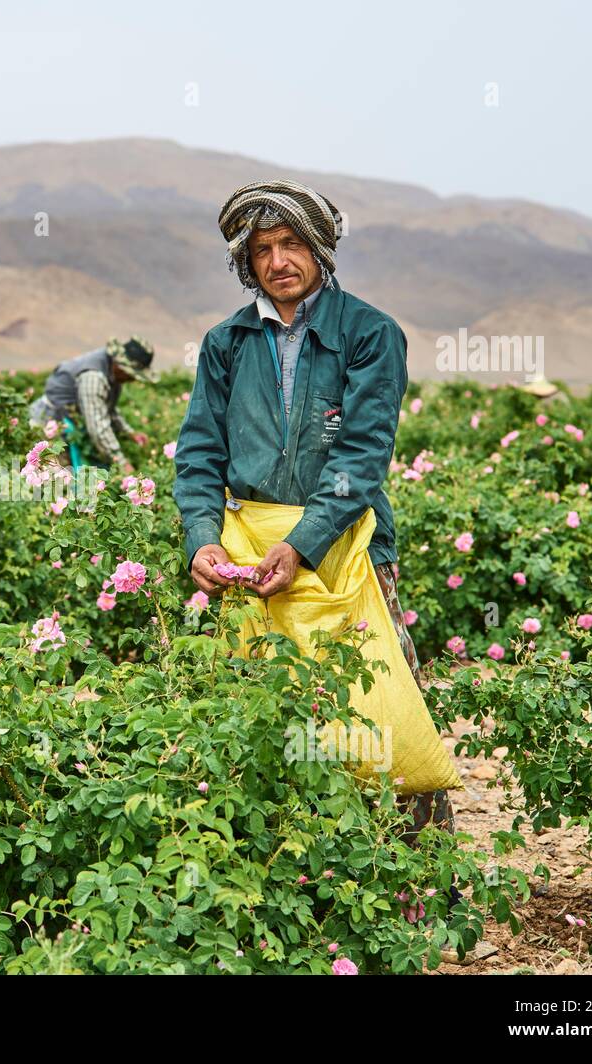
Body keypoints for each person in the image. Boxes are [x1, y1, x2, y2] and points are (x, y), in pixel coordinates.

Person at [173, 179, 464, 868]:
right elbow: (199, 454)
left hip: (348, 544)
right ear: (246, 263)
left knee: (381, 705)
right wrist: (202, 537)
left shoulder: (367, 333)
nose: (278, 261)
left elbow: (361, 462)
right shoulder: (226, 343)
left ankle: (427, 884)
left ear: (321, 249)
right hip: (251, 554)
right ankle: (294, 877)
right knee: (263, 709)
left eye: (292, 244)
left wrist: (301, 546)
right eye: (263, 249)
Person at [29, 337, 155, 473]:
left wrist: (130, 432)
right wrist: (121, 462)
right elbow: (97, 426)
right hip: (48, 427)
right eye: (132, 375)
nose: (132, 379)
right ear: (121, 366)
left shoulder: (110, 369)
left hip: (67, 427)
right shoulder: (94, 377)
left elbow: (108, 408)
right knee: (56, 480)